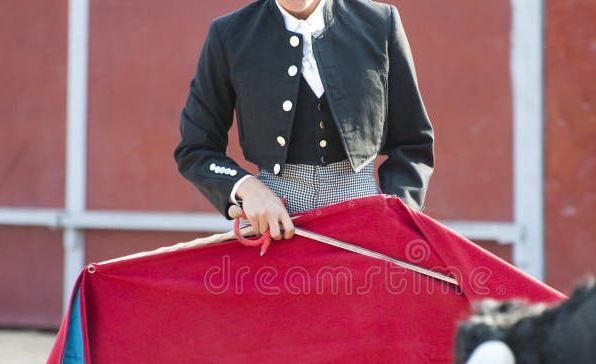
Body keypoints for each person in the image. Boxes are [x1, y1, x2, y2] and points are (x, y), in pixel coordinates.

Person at [174, 0, 433, 241]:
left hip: (368, 220)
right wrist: (246, 188)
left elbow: (411, 143)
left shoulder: (380, 22)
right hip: (272, 224)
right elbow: (196, 149)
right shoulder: (229, 34)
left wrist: (396, 216)